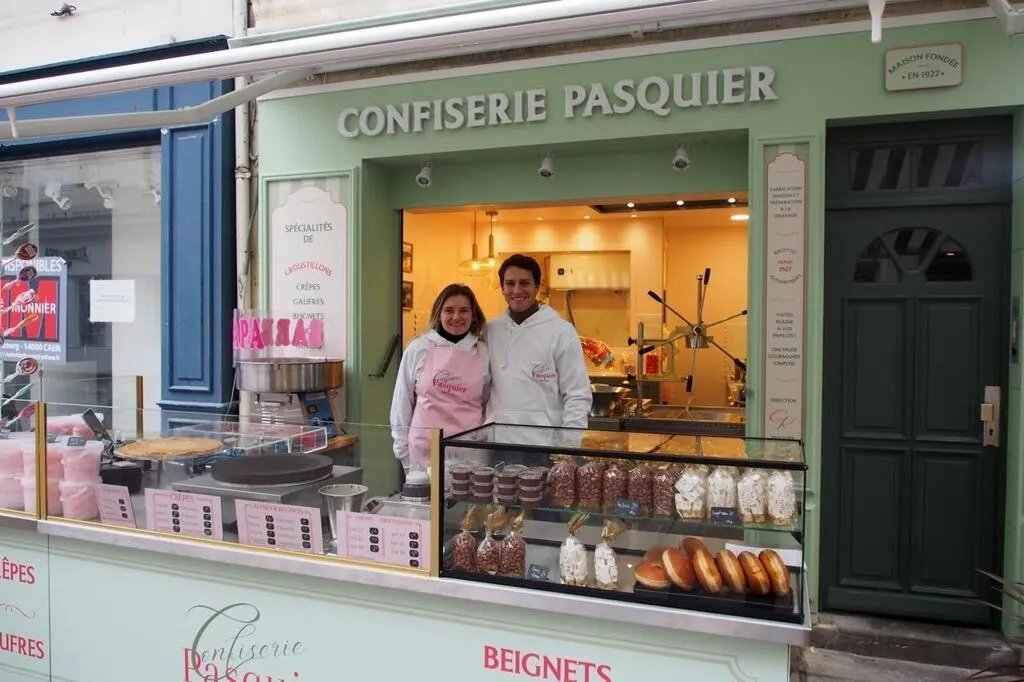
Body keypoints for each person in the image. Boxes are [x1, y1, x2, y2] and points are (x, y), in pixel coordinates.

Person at [390, 283, 490, 472]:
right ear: (438, 313)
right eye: (449, 310)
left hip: (470, 453)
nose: (456, 317)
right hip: (424, 452)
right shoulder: (418, 348)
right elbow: (401, 403)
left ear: (473, 315)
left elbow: (485, 401)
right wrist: (402, 453)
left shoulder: (483, 352)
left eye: (464, 310)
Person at [486, 254, 592, 429]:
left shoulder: (562, 332)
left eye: (525, 283)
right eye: (510, 283)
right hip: (497, 441)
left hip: (545, 445)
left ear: (537, 287)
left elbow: (577, 395)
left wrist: (569, 444)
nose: (517, 290)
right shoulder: (490, 331)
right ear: (502, 288)